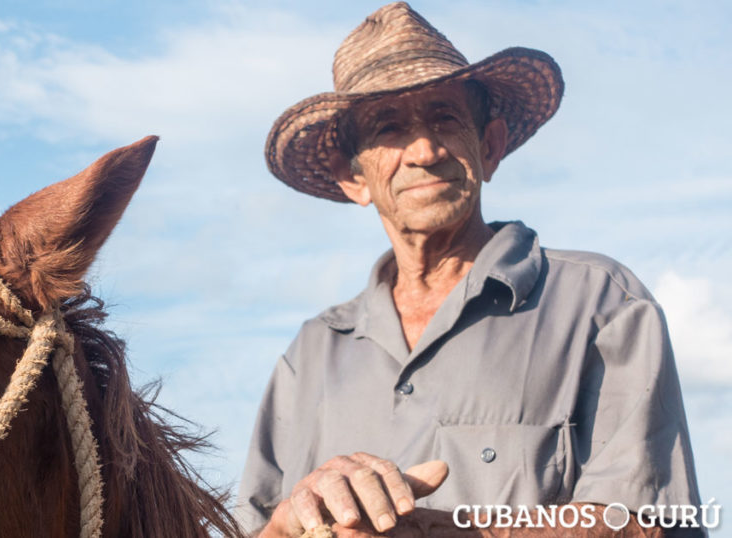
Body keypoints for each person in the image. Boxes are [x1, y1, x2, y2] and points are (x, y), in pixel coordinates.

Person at [237, 3, 703, 537]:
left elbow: (647, 523)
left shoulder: (600, 302)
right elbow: (258, 529)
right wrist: (294, 519)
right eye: (389, 127)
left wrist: (435, 532)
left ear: (490, 147)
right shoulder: (312, 353)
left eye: (445, 118)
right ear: (353, 177)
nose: (425, 149)